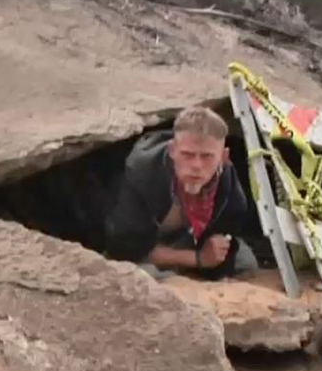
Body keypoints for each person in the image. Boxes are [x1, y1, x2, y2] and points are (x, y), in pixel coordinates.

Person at [104, 105, 258, 280]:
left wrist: (218, 251)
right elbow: (124, 248)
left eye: (207, 156)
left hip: (190, 240)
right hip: (145, 243)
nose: (197, 166)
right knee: (144, 277)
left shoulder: (226, 181)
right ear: (172, 151)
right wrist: (198, 259)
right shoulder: (144, 172)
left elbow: (228, 234)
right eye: (188, 155)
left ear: (223, 157)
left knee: (246, 263)